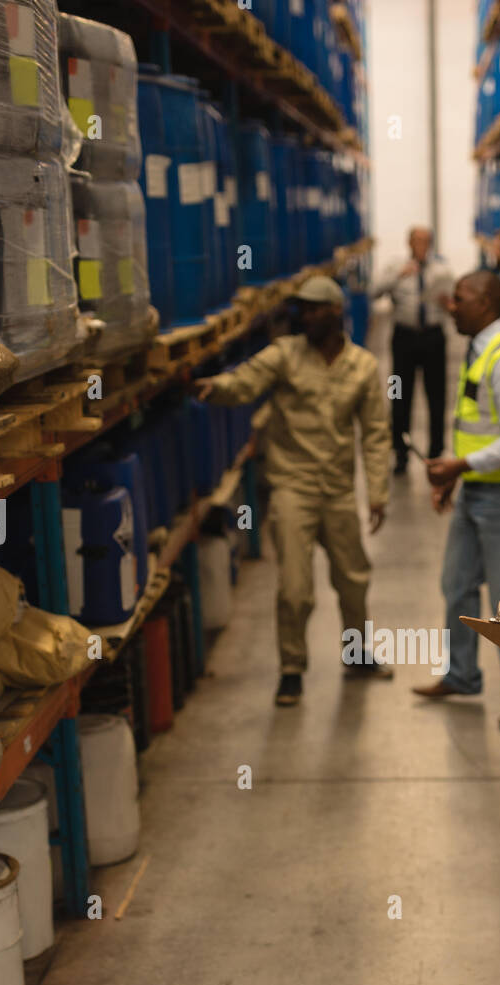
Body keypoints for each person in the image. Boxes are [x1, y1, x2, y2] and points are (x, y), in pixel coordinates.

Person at [193, 276, 392, 707]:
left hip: (337, 489)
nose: (306, 316)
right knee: (295, 588)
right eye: (302, 308)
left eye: (315, 309)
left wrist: (377, 491)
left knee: (353, 580)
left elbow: (375, 433)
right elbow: (245, 381)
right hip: (292, 487)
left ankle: (357, 655)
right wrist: (215, 387)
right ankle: (291, 669)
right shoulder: (285, 354)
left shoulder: (362, 366)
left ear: (335, 311)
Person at [412, 270, 500, 728]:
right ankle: (462, 675)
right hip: (479, 489)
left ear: (487, 303)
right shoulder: (481, 348)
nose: (452, 306)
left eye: (461, 299)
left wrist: (458, 467)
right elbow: (478, 427)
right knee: (457, 586)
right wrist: (458, 472)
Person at [371, 227, 453, 474]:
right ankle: (401, 453)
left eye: (426, 241)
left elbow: (454, 303)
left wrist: (448, 303)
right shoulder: (395, 266)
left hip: (433, 338)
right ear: (409, 242)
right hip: (404, 338)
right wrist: (399, 275)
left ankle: (436, 453)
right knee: (399, 397)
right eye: (417, 240)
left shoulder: (442, 269)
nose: (421, 245)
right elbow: (373, 292)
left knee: (436, 396)